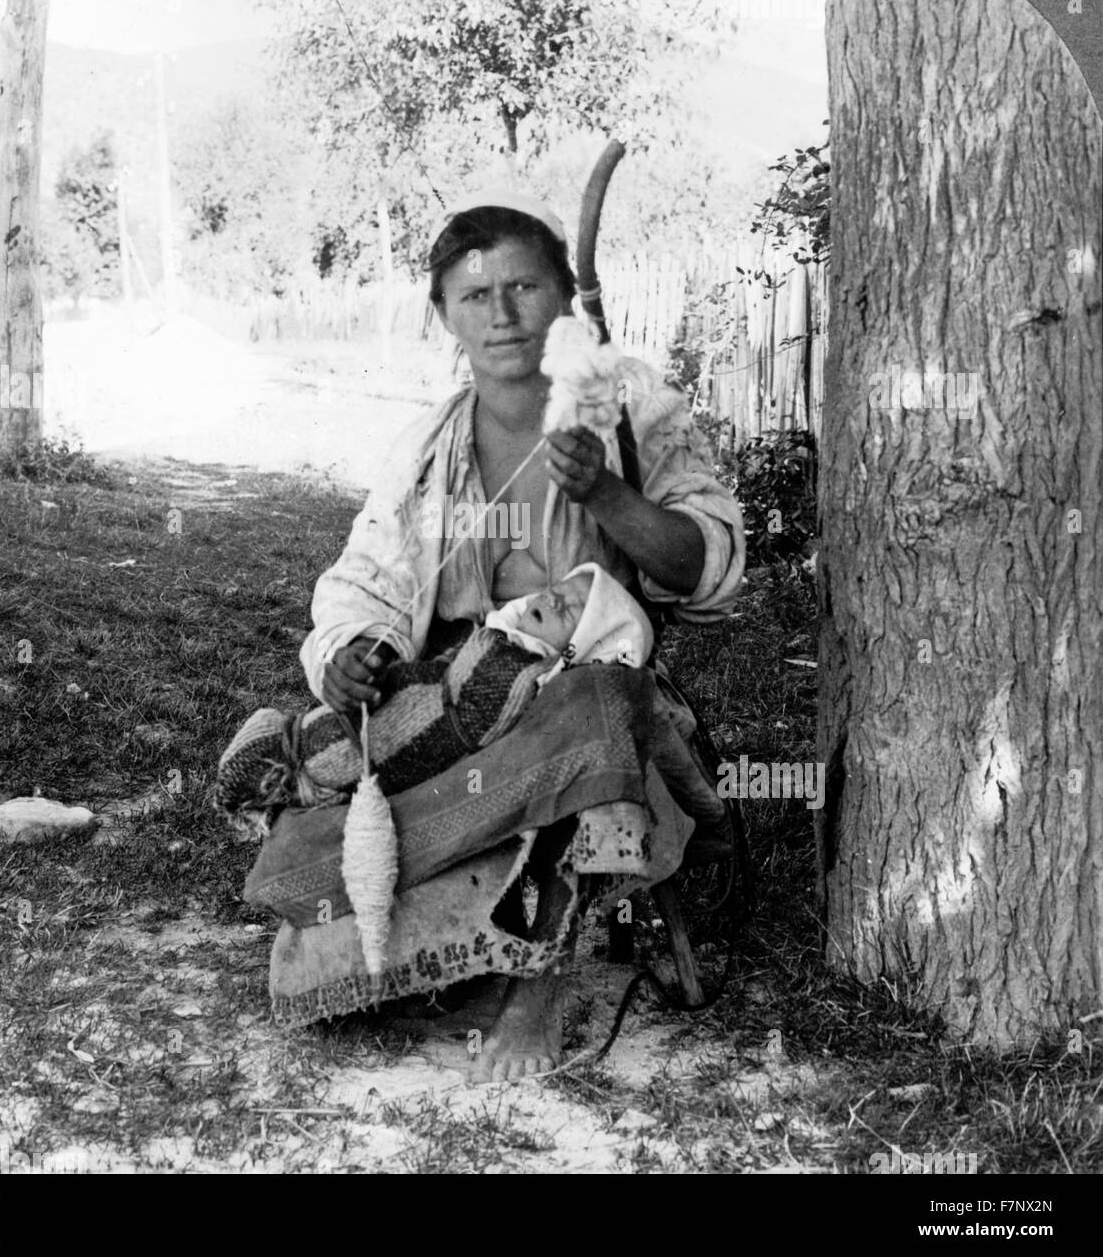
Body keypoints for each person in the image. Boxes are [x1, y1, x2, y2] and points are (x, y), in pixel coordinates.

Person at [243, 188, 745, 1082]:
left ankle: (537, 985)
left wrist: (607, 496)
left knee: (596, 710)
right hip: (462, 696)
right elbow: (364, 581)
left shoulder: (631, 411)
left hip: (592, 691)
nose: (504, 314)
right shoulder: (427, 449)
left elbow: (705, 569)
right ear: (445, 316)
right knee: (327, 771)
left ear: (564, 299)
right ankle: (406, 951)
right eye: (476, 296)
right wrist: (352, 654)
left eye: (524, 287)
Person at [215, 564, 655, 834]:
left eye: (575, 610)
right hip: (392, 712)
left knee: (314, 752)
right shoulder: (502, 641)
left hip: (398, 741)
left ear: (583, 646)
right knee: (300, 736)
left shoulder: (519, 671)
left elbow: (469, 712)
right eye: (561, 588)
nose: (557, 598)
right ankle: (279, 784)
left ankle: (282, 789)